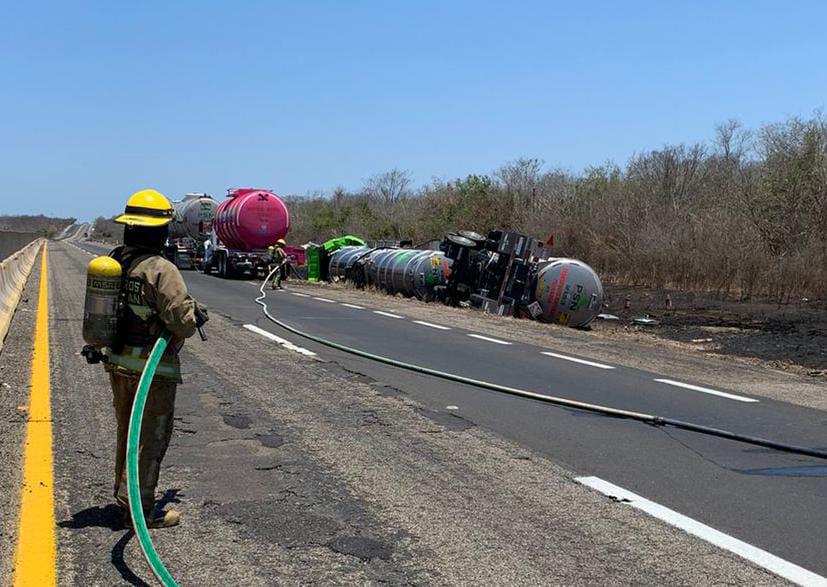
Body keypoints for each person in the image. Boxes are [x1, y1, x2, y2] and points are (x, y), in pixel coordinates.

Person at [104, 189, 207, 529]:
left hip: (119, 362)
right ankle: (141, 510)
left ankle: (124, 499)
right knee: (150, 438)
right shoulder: (161, 269)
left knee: (127, 433)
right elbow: (182, 323)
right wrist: (194, 314)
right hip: (152, 368)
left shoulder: (116, 261)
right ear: (161, 231)